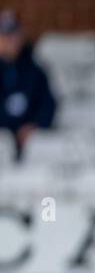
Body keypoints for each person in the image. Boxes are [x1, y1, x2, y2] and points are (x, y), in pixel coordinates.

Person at [0, 10, 57, 160]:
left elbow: (48, 104)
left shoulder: (35, 71)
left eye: (13, 35)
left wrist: (35, 125)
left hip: (30, 142)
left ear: (21, 35)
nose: (9, 41)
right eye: (4, 36)